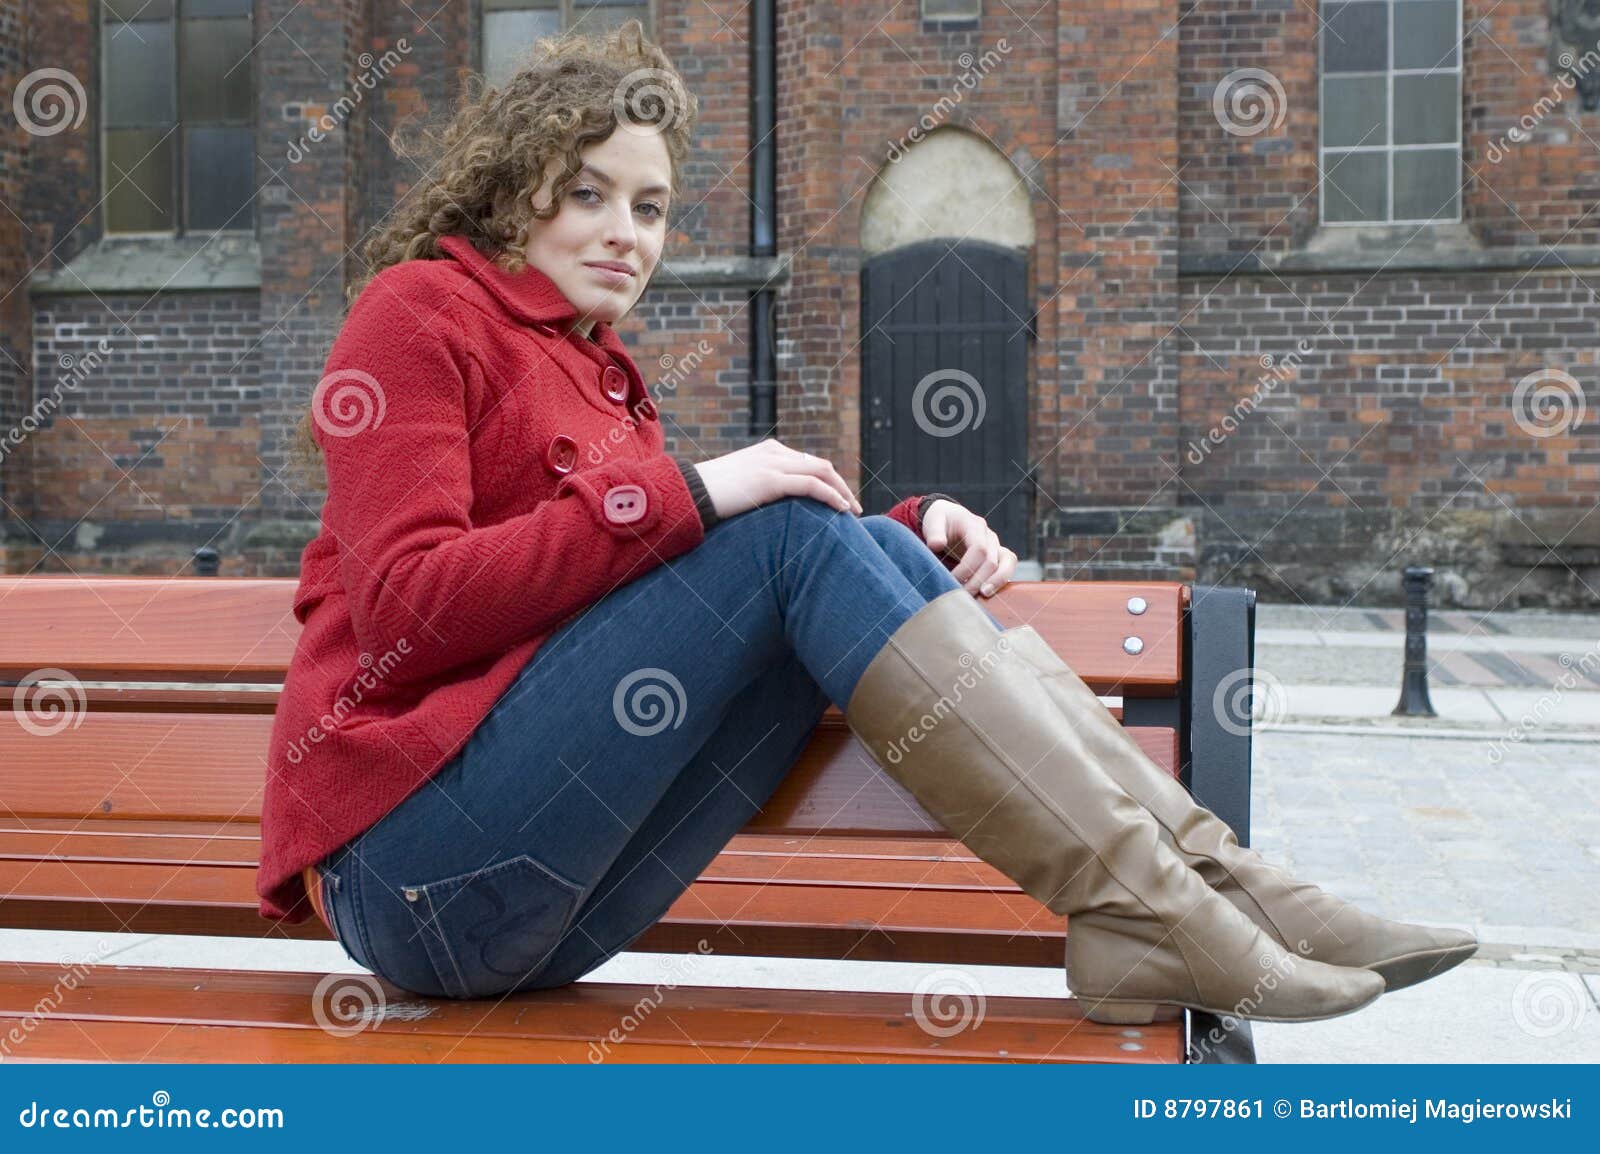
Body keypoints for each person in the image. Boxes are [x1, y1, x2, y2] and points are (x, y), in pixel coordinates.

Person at [257, 20, 1475, 1026]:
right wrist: (695, 491)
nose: (627, 233)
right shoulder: (416, 315)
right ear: (511, 185)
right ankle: (1150, 898)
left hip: (554, 906)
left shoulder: (602, 373)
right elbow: (410, 608)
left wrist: (907, 526)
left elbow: (635, 593)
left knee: (846, 539)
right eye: (588, 194)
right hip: (412, 868)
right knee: (781, 530)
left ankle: (1216, 883)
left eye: (653, 206)